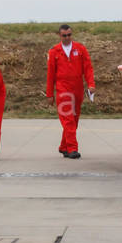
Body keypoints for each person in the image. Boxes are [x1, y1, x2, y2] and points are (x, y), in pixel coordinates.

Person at [45, 24, 94, 159]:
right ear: (59, 36)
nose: (67, 38)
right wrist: (49, 94)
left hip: (77, 89)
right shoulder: (54, 51)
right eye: (64, 35)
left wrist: (91, 85)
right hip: (63, 90)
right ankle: (72, 148)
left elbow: (88, 68)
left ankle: (63, 146)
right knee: (68, 120)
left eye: (69, 35)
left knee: (74, 119)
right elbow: (50, 75)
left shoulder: (80, 49)